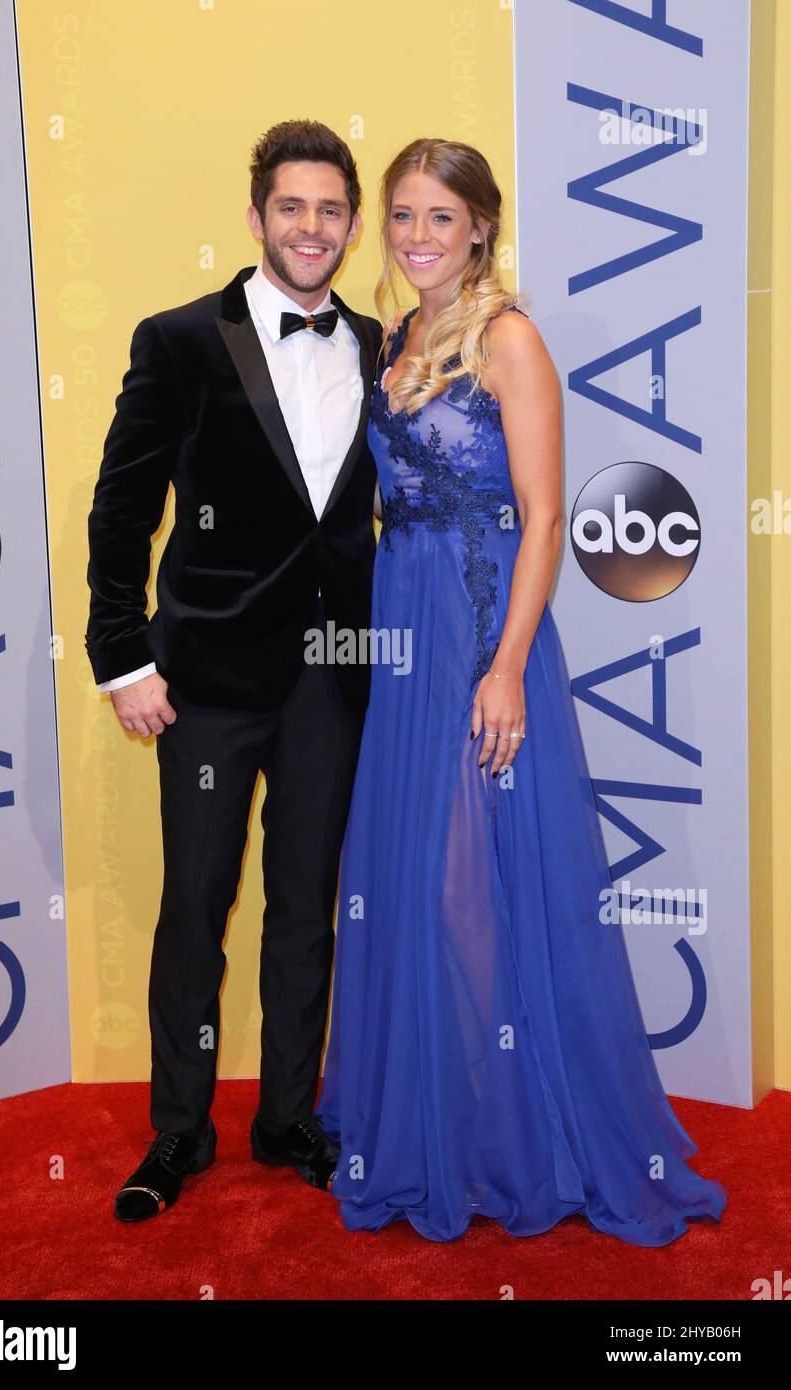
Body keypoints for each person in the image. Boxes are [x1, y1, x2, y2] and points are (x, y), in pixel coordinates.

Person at [315, 138, 728, 1246]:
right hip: (401, 627)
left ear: (480, 227)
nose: (414, 238)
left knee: (475, 877)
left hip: (478, 630)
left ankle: (514, 1133)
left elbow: (542, 515)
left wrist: (502, 667)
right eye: (399, 217)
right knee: (410, 877)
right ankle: (433, 1117)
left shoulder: (509, 338)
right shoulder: (392, 338)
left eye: (438, 219)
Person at [85, 120, 381, 1221]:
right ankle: (177, 1131)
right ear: (255, 216)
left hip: (331, 676)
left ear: (350, 227)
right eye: (291, 206)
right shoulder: (178, 342)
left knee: (305, 905)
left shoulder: (381, 346)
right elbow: (122, 513)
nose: (312, 227)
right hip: (202, 675)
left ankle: (286, 1117)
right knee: (195, 908)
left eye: (331, 209)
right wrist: (121, 657)